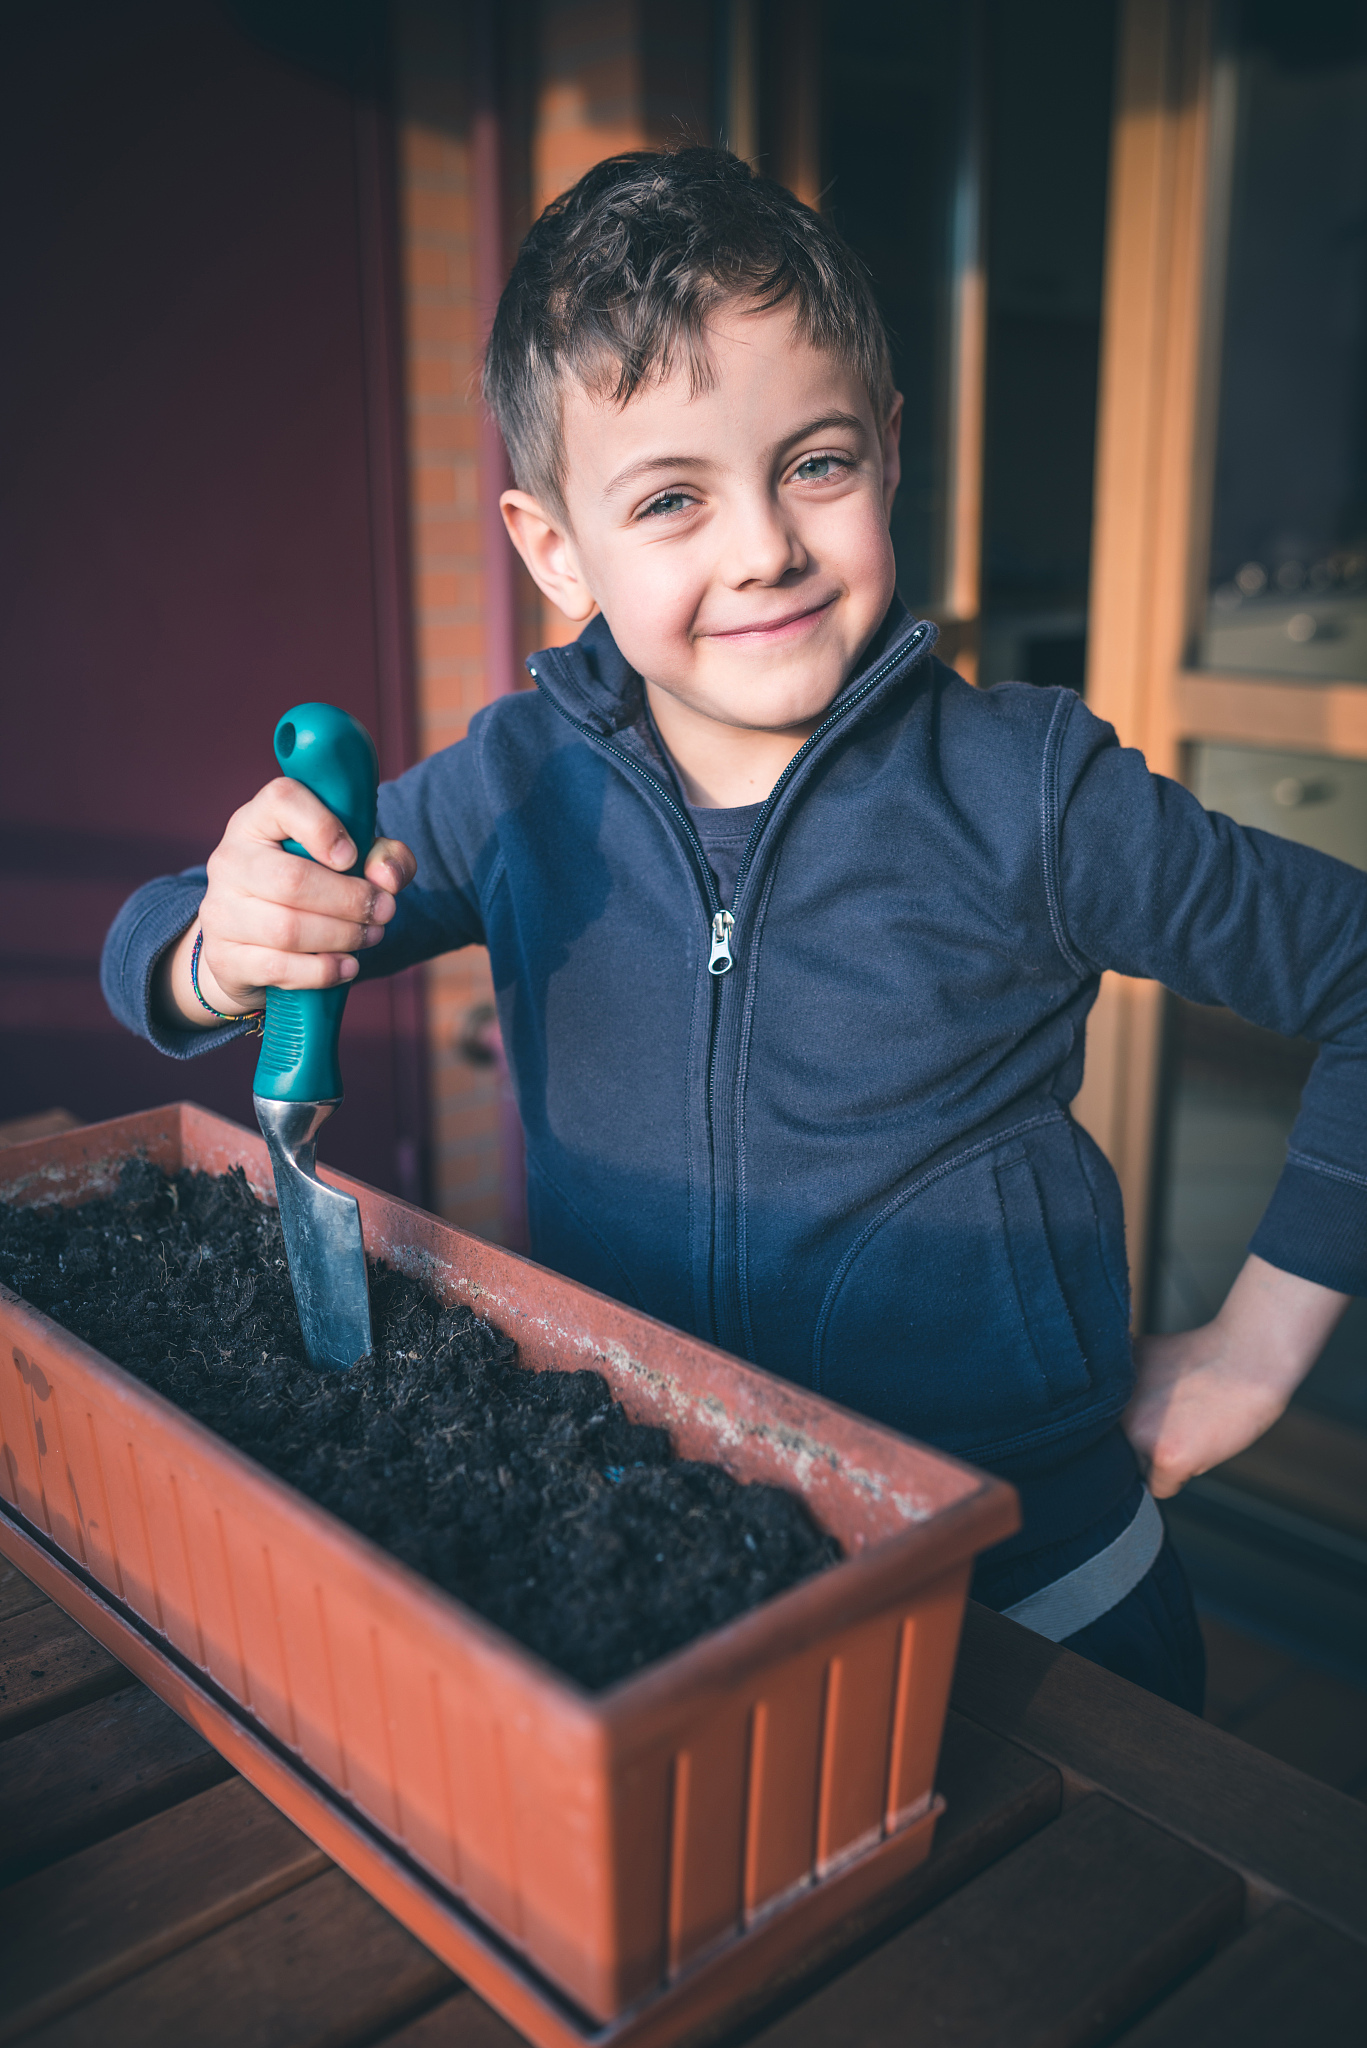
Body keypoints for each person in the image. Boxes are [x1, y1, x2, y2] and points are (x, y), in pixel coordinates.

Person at [103, 148, 1366, 1713]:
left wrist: (1254, 1352)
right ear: (557, 548)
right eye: (672, 499)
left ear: (890, 455)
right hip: (671, 1591)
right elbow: (159, 946)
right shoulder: (518, 786)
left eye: (815, 466)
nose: (762, 543)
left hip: (1033, 1609)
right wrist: (218, 948)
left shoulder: (1034, 794)